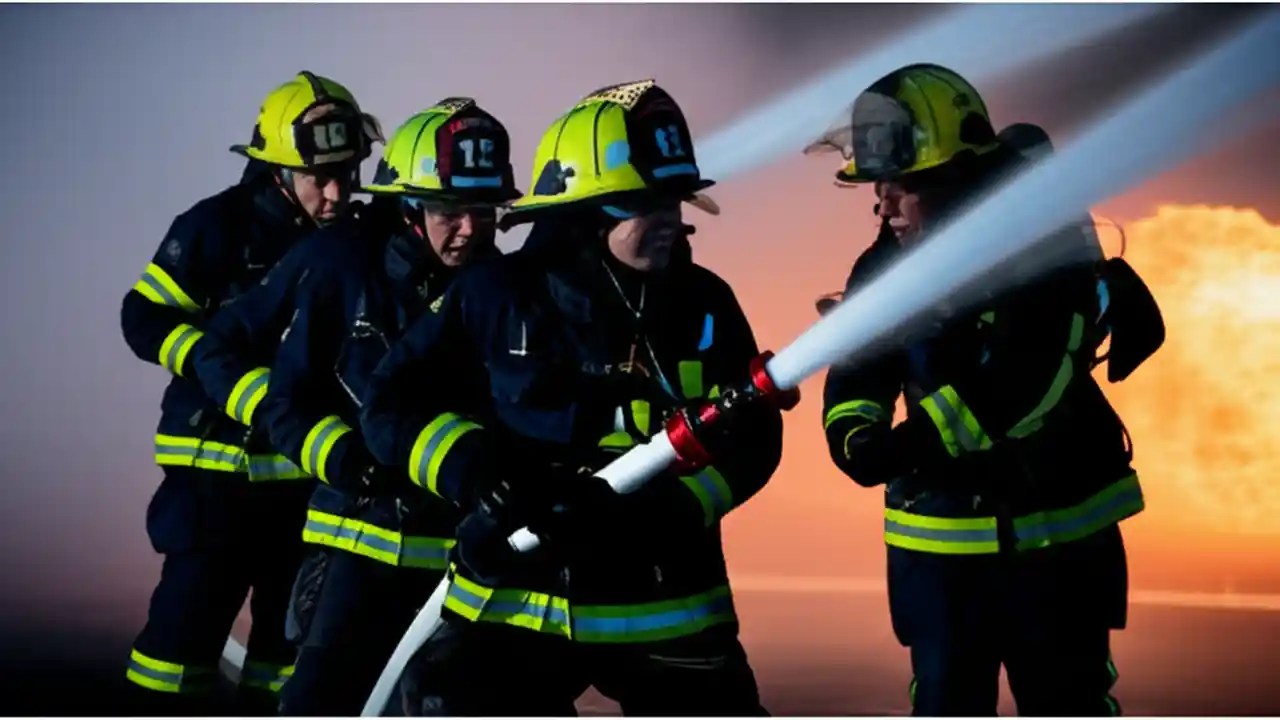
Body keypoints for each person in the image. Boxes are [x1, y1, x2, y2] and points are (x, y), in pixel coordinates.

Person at [360, 79, 783, 716]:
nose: (671, 220)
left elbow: (757, 440)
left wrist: (664, 512)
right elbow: (391, 403)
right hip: (515, 603)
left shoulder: (705, 302)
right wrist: (477, 473)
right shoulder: (495, 293)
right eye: (647, 203)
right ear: (589, 212)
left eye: (674, 199)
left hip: (667, 608)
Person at [814, 63, 1162, 716]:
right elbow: (859, 364)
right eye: (878, 186)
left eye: (900, 185)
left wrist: (906, 445)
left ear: (951, 177)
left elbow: (1023, 384)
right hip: (939, 552)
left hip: (1057, 547)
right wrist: (853, 430)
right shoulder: (883, 265)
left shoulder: (1045, 254)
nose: (881, 203)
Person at [220, 98, 519, 715]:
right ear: (409, 205)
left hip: (463, 551)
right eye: (449, 212)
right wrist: (343, 458)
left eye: (484, 212)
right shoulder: (343, 266)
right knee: (320, 700)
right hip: (360, 542)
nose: (471, 230)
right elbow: (286, 401)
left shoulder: (500, 287)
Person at [120, 70, 371, 715]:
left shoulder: (359, 243)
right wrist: (212, 365)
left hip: (308, 485)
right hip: (216, 479)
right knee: (177, 652)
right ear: (279, 170)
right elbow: (144, 317)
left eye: (351, 171)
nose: (340, 192)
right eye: (323, 177)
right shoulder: (215, 227)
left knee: (284, 657)